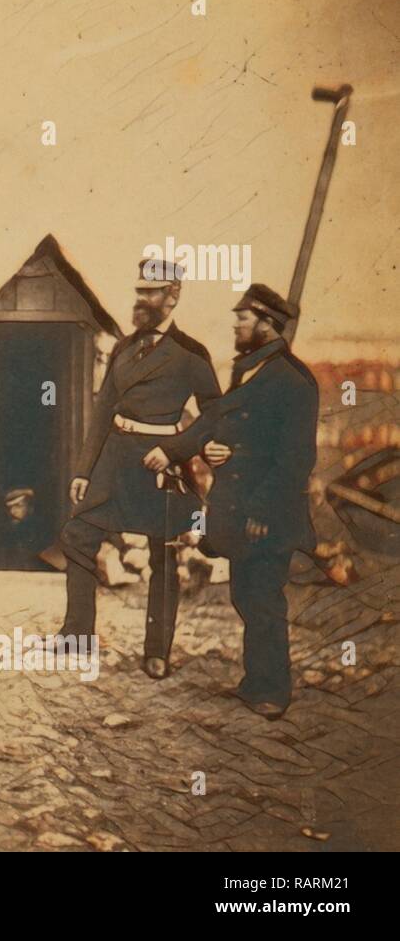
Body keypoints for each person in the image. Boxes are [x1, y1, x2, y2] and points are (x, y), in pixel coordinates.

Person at [144, 284, 317, 719]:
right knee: (246, 593)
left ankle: (273, 692)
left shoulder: (293, 381)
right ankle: (255, 681)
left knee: (263, 597)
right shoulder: (248, 370)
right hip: (239, 509)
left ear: (266, 324)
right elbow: (218, 423)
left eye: (242, 319)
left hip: (266, 511)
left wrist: (262, 510)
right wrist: (190, 449)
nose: (235, 325)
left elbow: (296, 459)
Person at [58, 259, 221, 677]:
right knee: (77, 536)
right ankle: (78, 636)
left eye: (151, 292)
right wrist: (82, 470)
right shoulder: (124, 346)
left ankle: (157, 651)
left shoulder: (191, 353)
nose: (142, 300)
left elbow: (215, 415)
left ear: (173, 296)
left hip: (158, 465)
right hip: (114, 459)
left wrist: (174, 449)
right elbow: (102, 411)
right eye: (139, 291)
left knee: (163, 554)